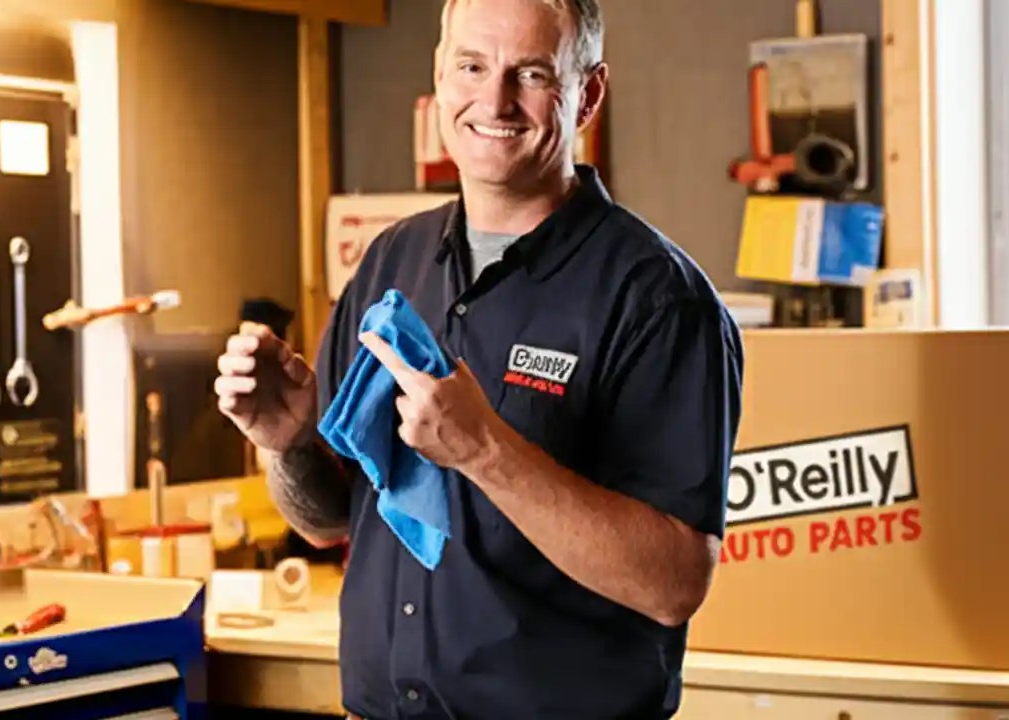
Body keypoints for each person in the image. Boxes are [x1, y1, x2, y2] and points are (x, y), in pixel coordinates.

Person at [215, 0, 744, 717]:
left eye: (529, 73)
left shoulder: (657, 301)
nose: (493, 100)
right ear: (440, 74)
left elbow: (674, 583)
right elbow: (330, 521)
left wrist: (486, 450)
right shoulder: (391, 262)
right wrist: (289, 444)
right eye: (471, 66)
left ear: (587, 93)